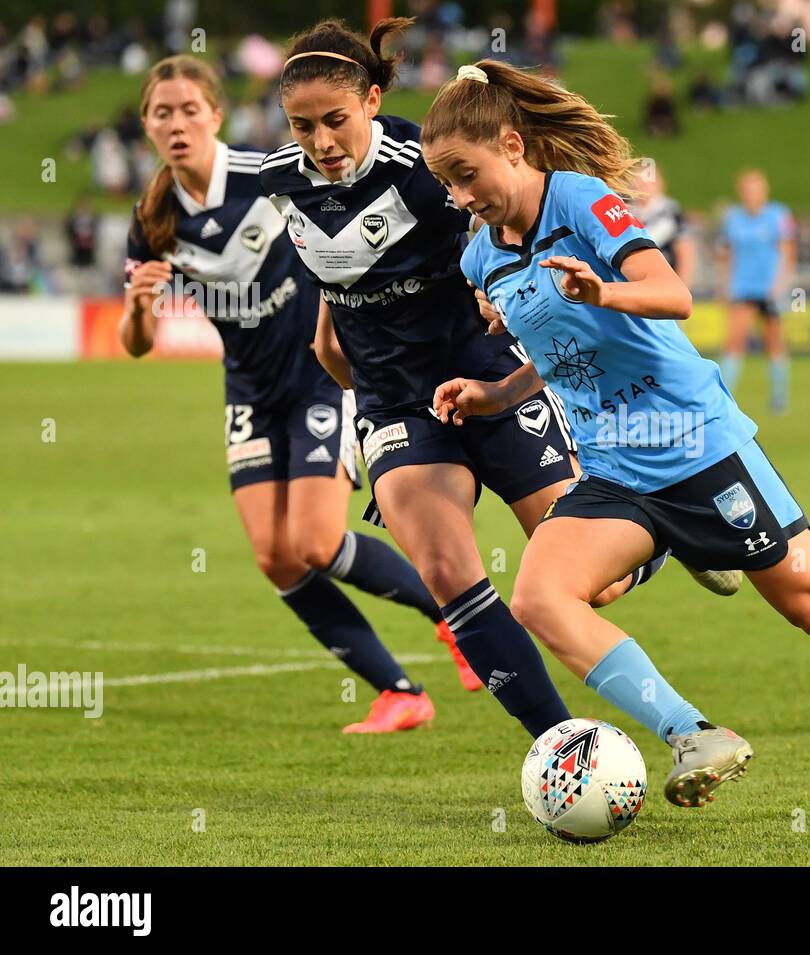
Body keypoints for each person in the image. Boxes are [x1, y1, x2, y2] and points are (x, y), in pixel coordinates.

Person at [424, 60, 810, 832]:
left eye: (467, 175)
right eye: (448, 184)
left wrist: (605, 291)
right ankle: (694, 735)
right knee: (540, 596)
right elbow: (564, 349)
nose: (462, 197)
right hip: (610, 464)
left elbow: (674, 296)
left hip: (697, 446)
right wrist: (497, 393)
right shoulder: (481, 256)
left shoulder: (579, 201)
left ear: (512, 144)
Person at [258, 19, 728, 741]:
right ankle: (562, 748)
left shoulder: (428, 165)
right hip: (396, 406)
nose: (320, 142)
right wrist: (360, 380)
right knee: (450, 573)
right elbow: (333, 273)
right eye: (301, 125)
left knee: (589, 584)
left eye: (335, 121)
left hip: (491, 377)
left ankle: (666, 539)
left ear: (374, 101)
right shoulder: (279, 182)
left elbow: (521, 208)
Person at [119, 54, 474, 735]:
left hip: (317, 375)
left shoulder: (269, 176)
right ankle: (400, 693)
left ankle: (449, 611)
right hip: (249, 393)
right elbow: (136, 342)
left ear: (216, 115)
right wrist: (139, 309)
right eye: (161, 113)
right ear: (146, 126)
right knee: (275, 556)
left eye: (190, 108)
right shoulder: (153, 217)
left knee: (313, 541)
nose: (177, 123)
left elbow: (352, 192)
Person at [716, 168, 796, 413]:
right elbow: (725, 255)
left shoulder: (778, 215)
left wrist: (781, 285)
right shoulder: (733, 218)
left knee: (773, 342)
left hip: (769, 289)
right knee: (734, 341)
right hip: (742, 287)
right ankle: (724, 398)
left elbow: (788, 253)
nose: (751, 193)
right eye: (747, 188)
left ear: (764, 190)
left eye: (756, 187)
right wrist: (723, 284)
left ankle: (779, 396)